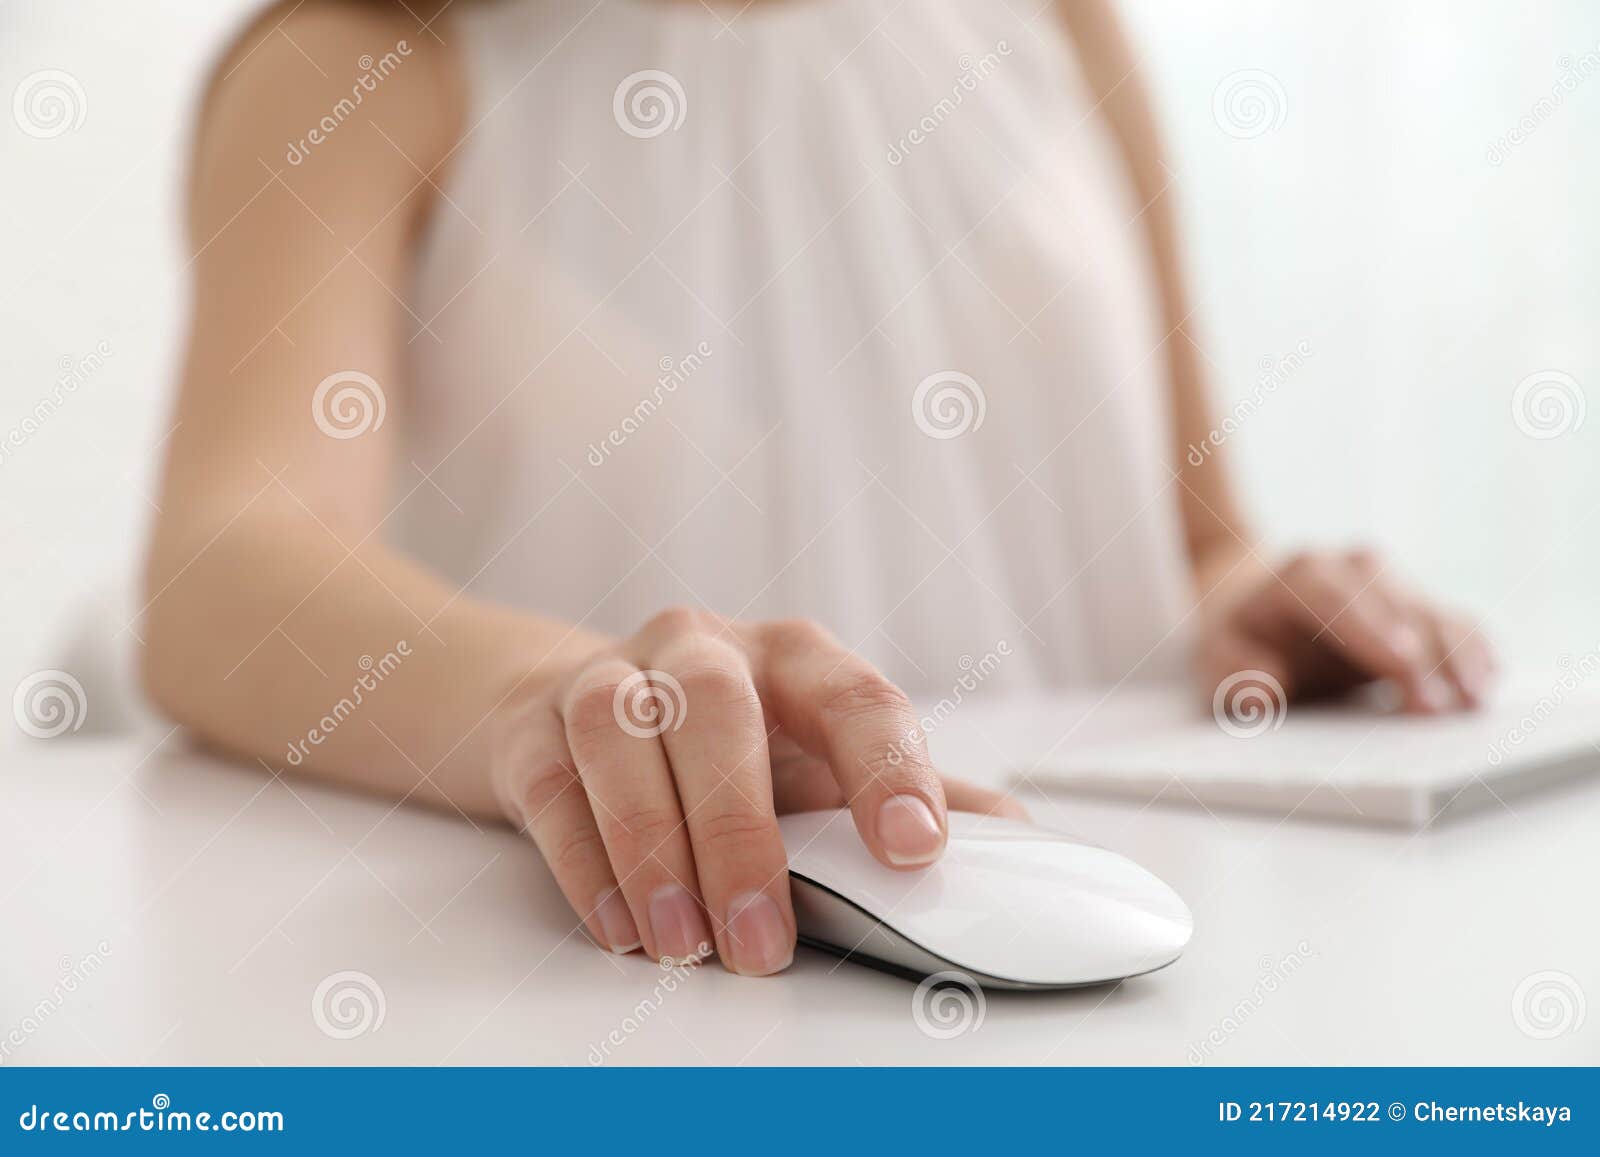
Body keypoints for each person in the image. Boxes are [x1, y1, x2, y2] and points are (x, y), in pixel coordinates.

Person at [141, 0, 1495, 977]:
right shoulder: (361, 59)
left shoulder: (1059, 26)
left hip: (1148, 954)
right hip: (656, 995)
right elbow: (228, 570)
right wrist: (548, 699)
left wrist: (1262, 600)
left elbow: (1202, 532)